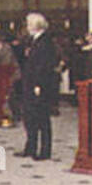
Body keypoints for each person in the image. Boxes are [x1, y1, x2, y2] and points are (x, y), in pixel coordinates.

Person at [18, 13, 58, 160]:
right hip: (30, 84)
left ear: (36, 25)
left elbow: (44, 66)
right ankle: (31, 147)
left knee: (42, 119)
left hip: (39, 85)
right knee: (30, 118)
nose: (27, 27)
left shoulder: (45, 42)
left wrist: (38, 85)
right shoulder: (34, 40)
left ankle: (45, 151)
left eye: (29, 24)